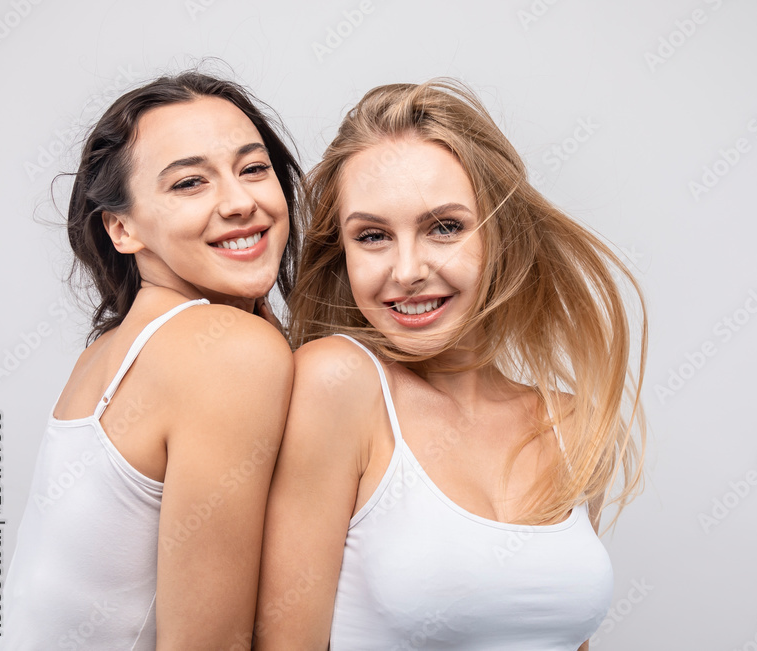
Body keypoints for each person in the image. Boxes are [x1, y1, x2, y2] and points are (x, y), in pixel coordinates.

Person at [255, 79, 647, 650]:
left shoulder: (567, 423)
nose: (408, 269)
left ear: (501, 235)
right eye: (372, 236)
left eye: (445, 227)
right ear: (342, 253)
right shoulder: (338, 384)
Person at [0, 71, 301, 650]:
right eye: (189, 183)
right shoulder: (227, 350)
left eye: (253, 169)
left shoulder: (113, 349)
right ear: (122, 228)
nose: (240, 202)